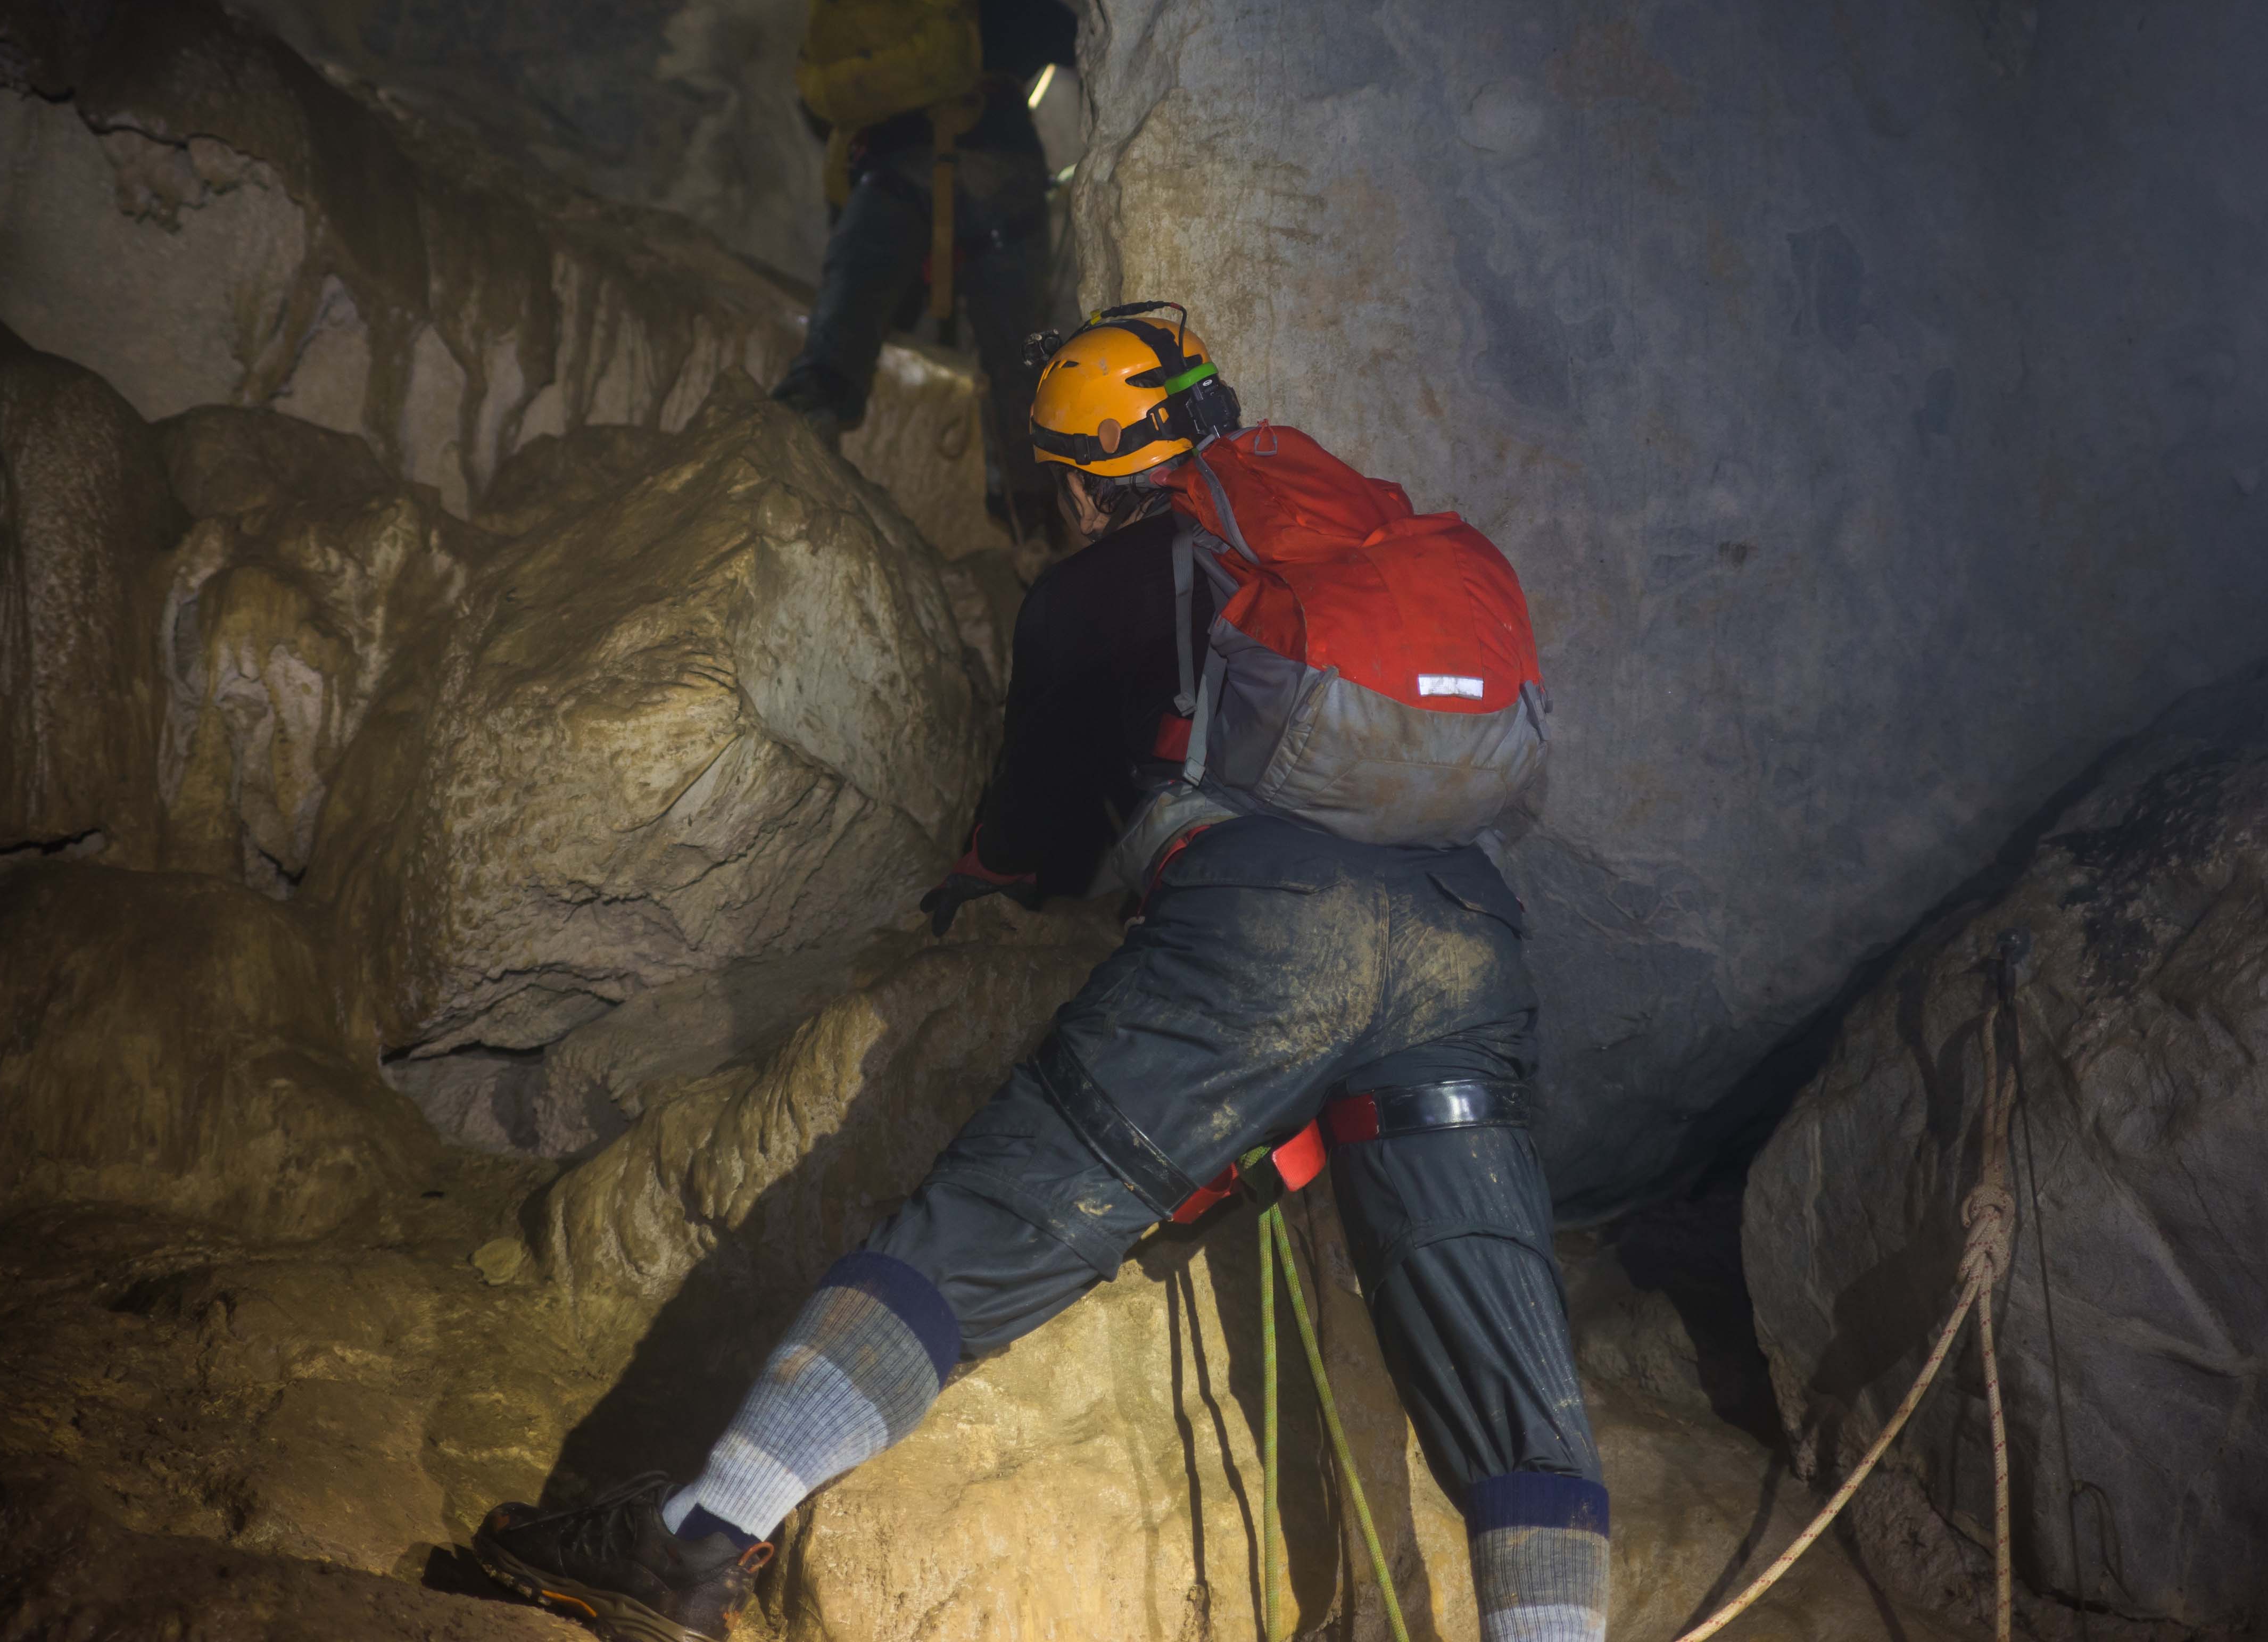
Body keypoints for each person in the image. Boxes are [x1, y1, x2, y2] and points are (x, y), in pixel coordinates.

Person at [473, 308, 1607, 1642]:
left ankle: (694, 1544)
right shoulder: (1333, 538)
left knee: (990, 1219)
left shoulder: (1097, 587)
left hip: (1268, 933)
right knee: (1501, 1335)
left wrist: (972, 892)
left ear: (1077, 483)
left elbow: (1033, 844)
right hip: (1468, 940)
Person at [769, 0, 1075, 539]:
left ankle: (804, 418)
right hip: (999, 169)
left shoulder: (904, 6)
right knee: (1016, 351)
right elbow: (1075, 37)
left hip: (896, 168)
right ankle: (1033, 515)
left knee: (853, 298)